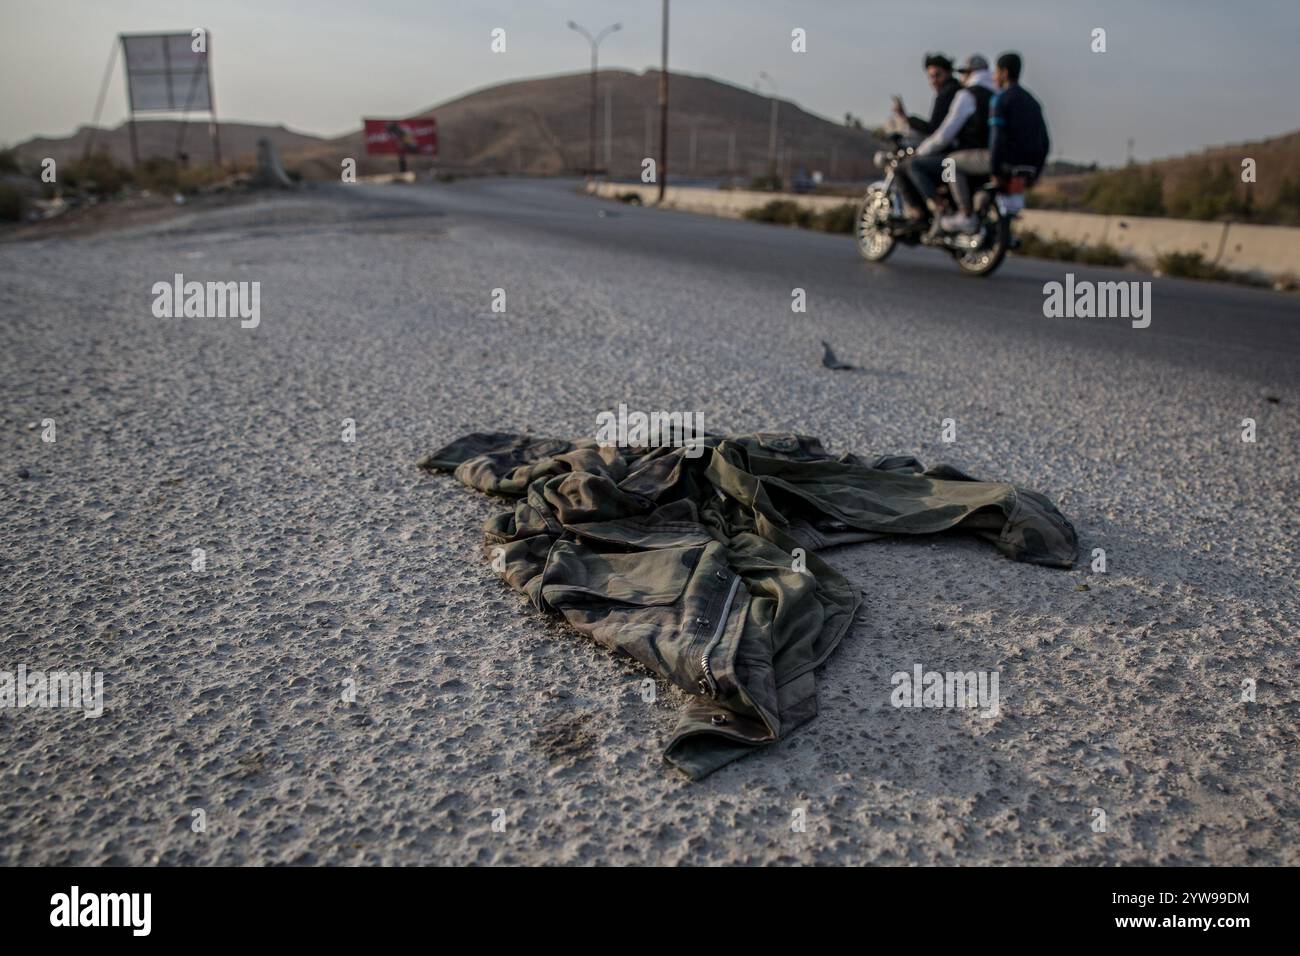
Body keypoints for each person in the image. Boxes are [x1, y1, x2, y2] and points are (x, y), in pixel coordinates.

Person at [903, 54, 998, 229]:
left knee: (919, 165)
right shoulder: (997, 94)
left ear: (970, 73)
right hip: (995, 156)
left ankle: (944, 210)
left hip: (968, 155)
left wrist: (922, 151)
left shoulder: (967, 95)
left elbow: (945, 133)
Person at [891, 53, 961, 218]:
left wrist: (906, 118)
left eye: (937, 75)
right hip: (953, 151)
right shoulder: (955, 91)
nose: (934, 81)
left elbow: (934, 129)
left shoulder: (947, 94)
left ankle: (930, 208)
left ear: (948, 73)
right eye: (931, 77)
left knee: (906, 166)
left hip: (950, 153)